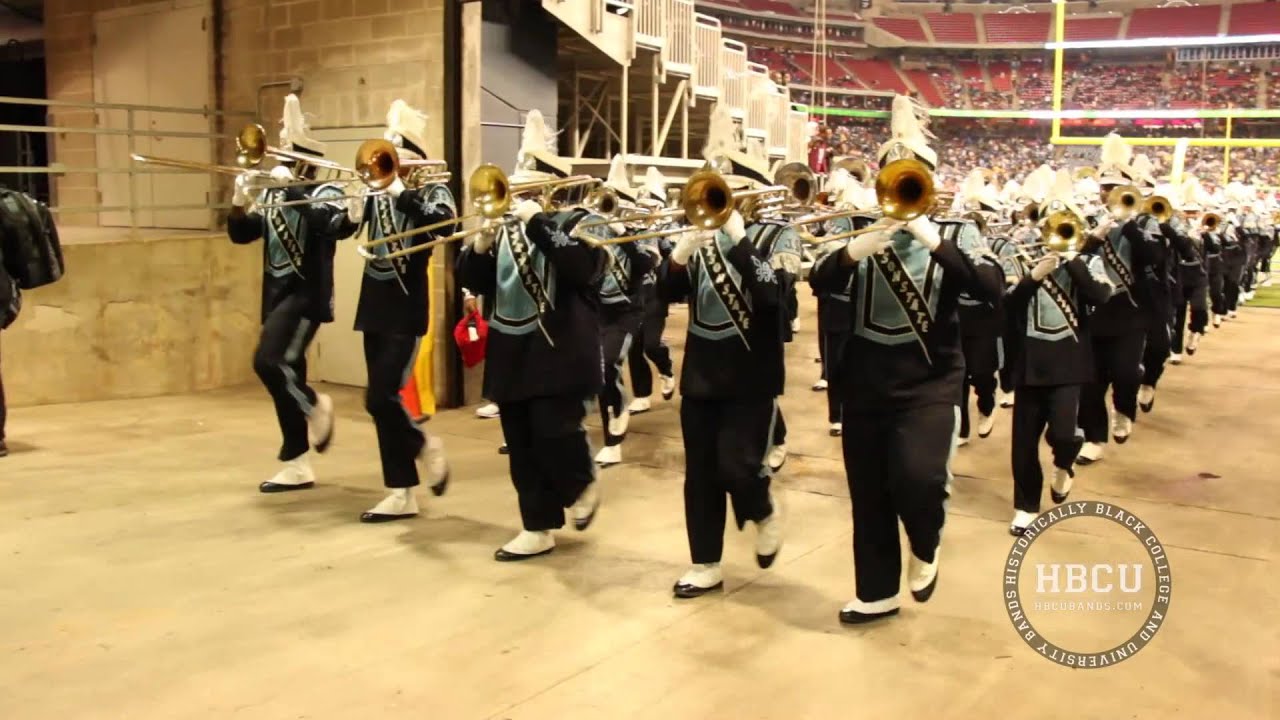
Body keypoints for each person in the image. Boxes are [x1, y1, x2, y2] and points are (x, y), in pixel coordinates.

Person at [809, 96, 1004, 624]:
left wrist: (933, 239)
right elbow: (819, 283)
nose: (904, 187)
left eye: (913, 178)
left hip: (931, 382)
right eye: (896, 177)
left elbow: (991, 288)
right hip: (866, 381)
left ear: (933, 182)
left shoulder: (961, 232)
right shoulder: (858, 227)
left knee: (918, 479)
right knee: (869, 492)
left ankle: (927, 538)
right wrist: (856, 249)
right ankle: (876, 592)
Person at [454, 112, 605, 560]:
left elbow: (582, 272)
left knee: (553, 430)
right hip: (511, 347)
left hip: (559, 347)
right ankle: (537, 526)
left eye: (528, 185)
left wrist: (538, 222)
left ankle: (581, 481)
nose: (517, 193)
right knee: (521, 443)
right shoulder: (502, 226)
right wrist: (479, 245)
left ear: (550, 188)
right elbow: (473, 280)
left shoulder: (581, 221)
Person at [227, 94, 354, 492]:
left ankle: (315, 406)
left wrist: (293, 191)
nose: (276, 161)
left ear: (303, 161)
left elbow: (331, 226)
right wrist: (238, 201)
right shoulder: (272, 192)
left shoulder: (325, 192)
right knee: (285, 373)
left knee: (268, 362)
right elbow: (241, 234)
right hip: (277, 293)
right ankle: (297, 462)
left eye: (286, 155)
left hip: (307, 295)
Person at [658, 205, 785, 599]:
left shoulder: (775, 236)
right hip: (701, 375)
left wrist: (741, 240)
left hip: (751, 377)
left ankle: (762, 509)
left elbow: (772, 296)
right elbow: (663, 295)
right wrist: (678, 257)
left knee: (738, 468)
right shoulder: (700, 239)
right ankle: (705, 563)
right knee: (700, 477)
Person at [349, 100, 454, 522]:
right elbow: (347, 228)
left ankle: (422, 445)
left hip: (406, 304)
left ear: (412, 156)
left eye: (393, 153)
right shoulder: (375, 189)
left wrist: (398, 191)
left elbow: (443, 225)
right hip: (373, 303)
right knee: (377, 402)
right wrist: (352, 207)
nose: (384, 163)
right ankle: (401, 491)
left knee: (382, 396)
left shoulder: (433, 189)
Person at [1006, 233, 1113, 535]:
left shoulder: (1089, 262)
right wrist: (1033, 277)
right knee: (1024, 444)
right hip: (1030, 364)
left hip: (1069, 363)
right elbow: (1008, 306)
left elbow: (1099, 296)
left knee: (1065, 435)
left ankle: (1064, 464)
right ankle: (1026, 506)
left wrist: (1072, 258)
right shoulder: (1022, 258)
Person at [1076, 134, 1161, 465]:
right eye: (1103, 186)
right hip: (1096, 308)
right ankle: (1094, 436)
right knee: (1090, 380)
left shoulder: (1144, 221)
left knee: (1126, 373)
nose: (1106, 193)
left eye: (1113, 187)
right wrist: (1095, 237)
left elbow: (1153, 257)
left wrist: (1127, 225)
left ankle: (1124, 410)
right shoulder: (1089, 218)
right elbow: (1077, 257)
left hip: (1131, 309)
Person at [590, 155, 653, 468]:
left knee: (608, 362)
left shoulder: (639, 226)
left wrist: (624, 233)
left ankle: (613, 439)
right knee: (597, 370)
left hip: (627, 309)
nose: (608, 205)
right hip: (596, 308)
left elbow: (648, 262)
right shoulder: (591, 223)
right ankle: (614, 411)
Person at [627, 168, 678, 415]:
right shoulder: (629, 228)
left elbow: (672, 259)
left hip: (656, 294)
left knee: (650, 344)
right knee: (633, 347)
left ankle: (665, 367)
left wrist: (663, 238)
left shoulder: (668, 229)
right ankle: (642, 394)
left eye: (650, 206)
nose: (644, 211)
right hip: (632, 294)